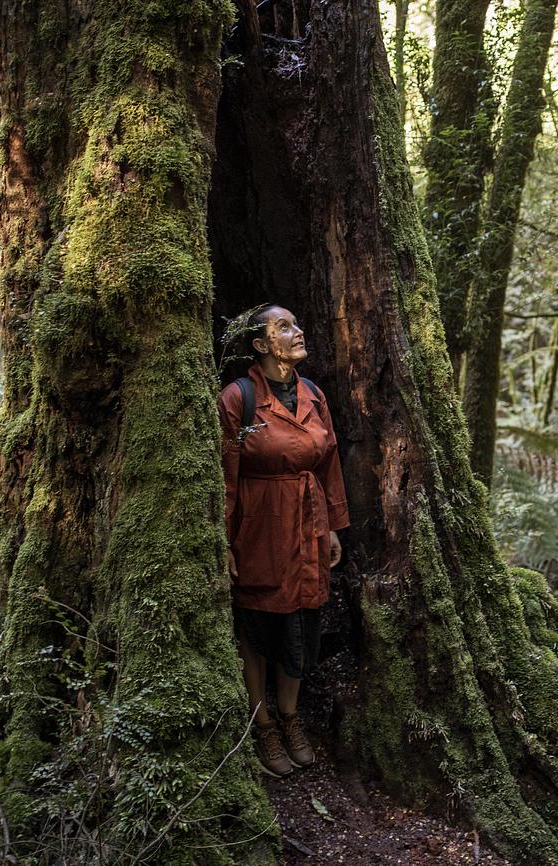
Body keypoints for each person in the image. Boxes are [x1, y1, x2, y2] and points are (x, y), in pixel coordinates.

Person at [218, 303, 350, 778]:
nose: (298, 332)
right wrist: (223, 541)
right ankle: (263, 724)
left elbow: (328, 462)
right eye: (284, 327)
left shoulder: (313, 393)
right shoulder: (238, 398)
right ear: (261, 345)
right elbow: (225, 476)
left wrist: (332, 526)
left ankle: (291, 717)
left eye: (296, 324)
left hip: (308, 521)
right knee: (258, 619)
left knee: (301, 616)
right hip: (259, 525)